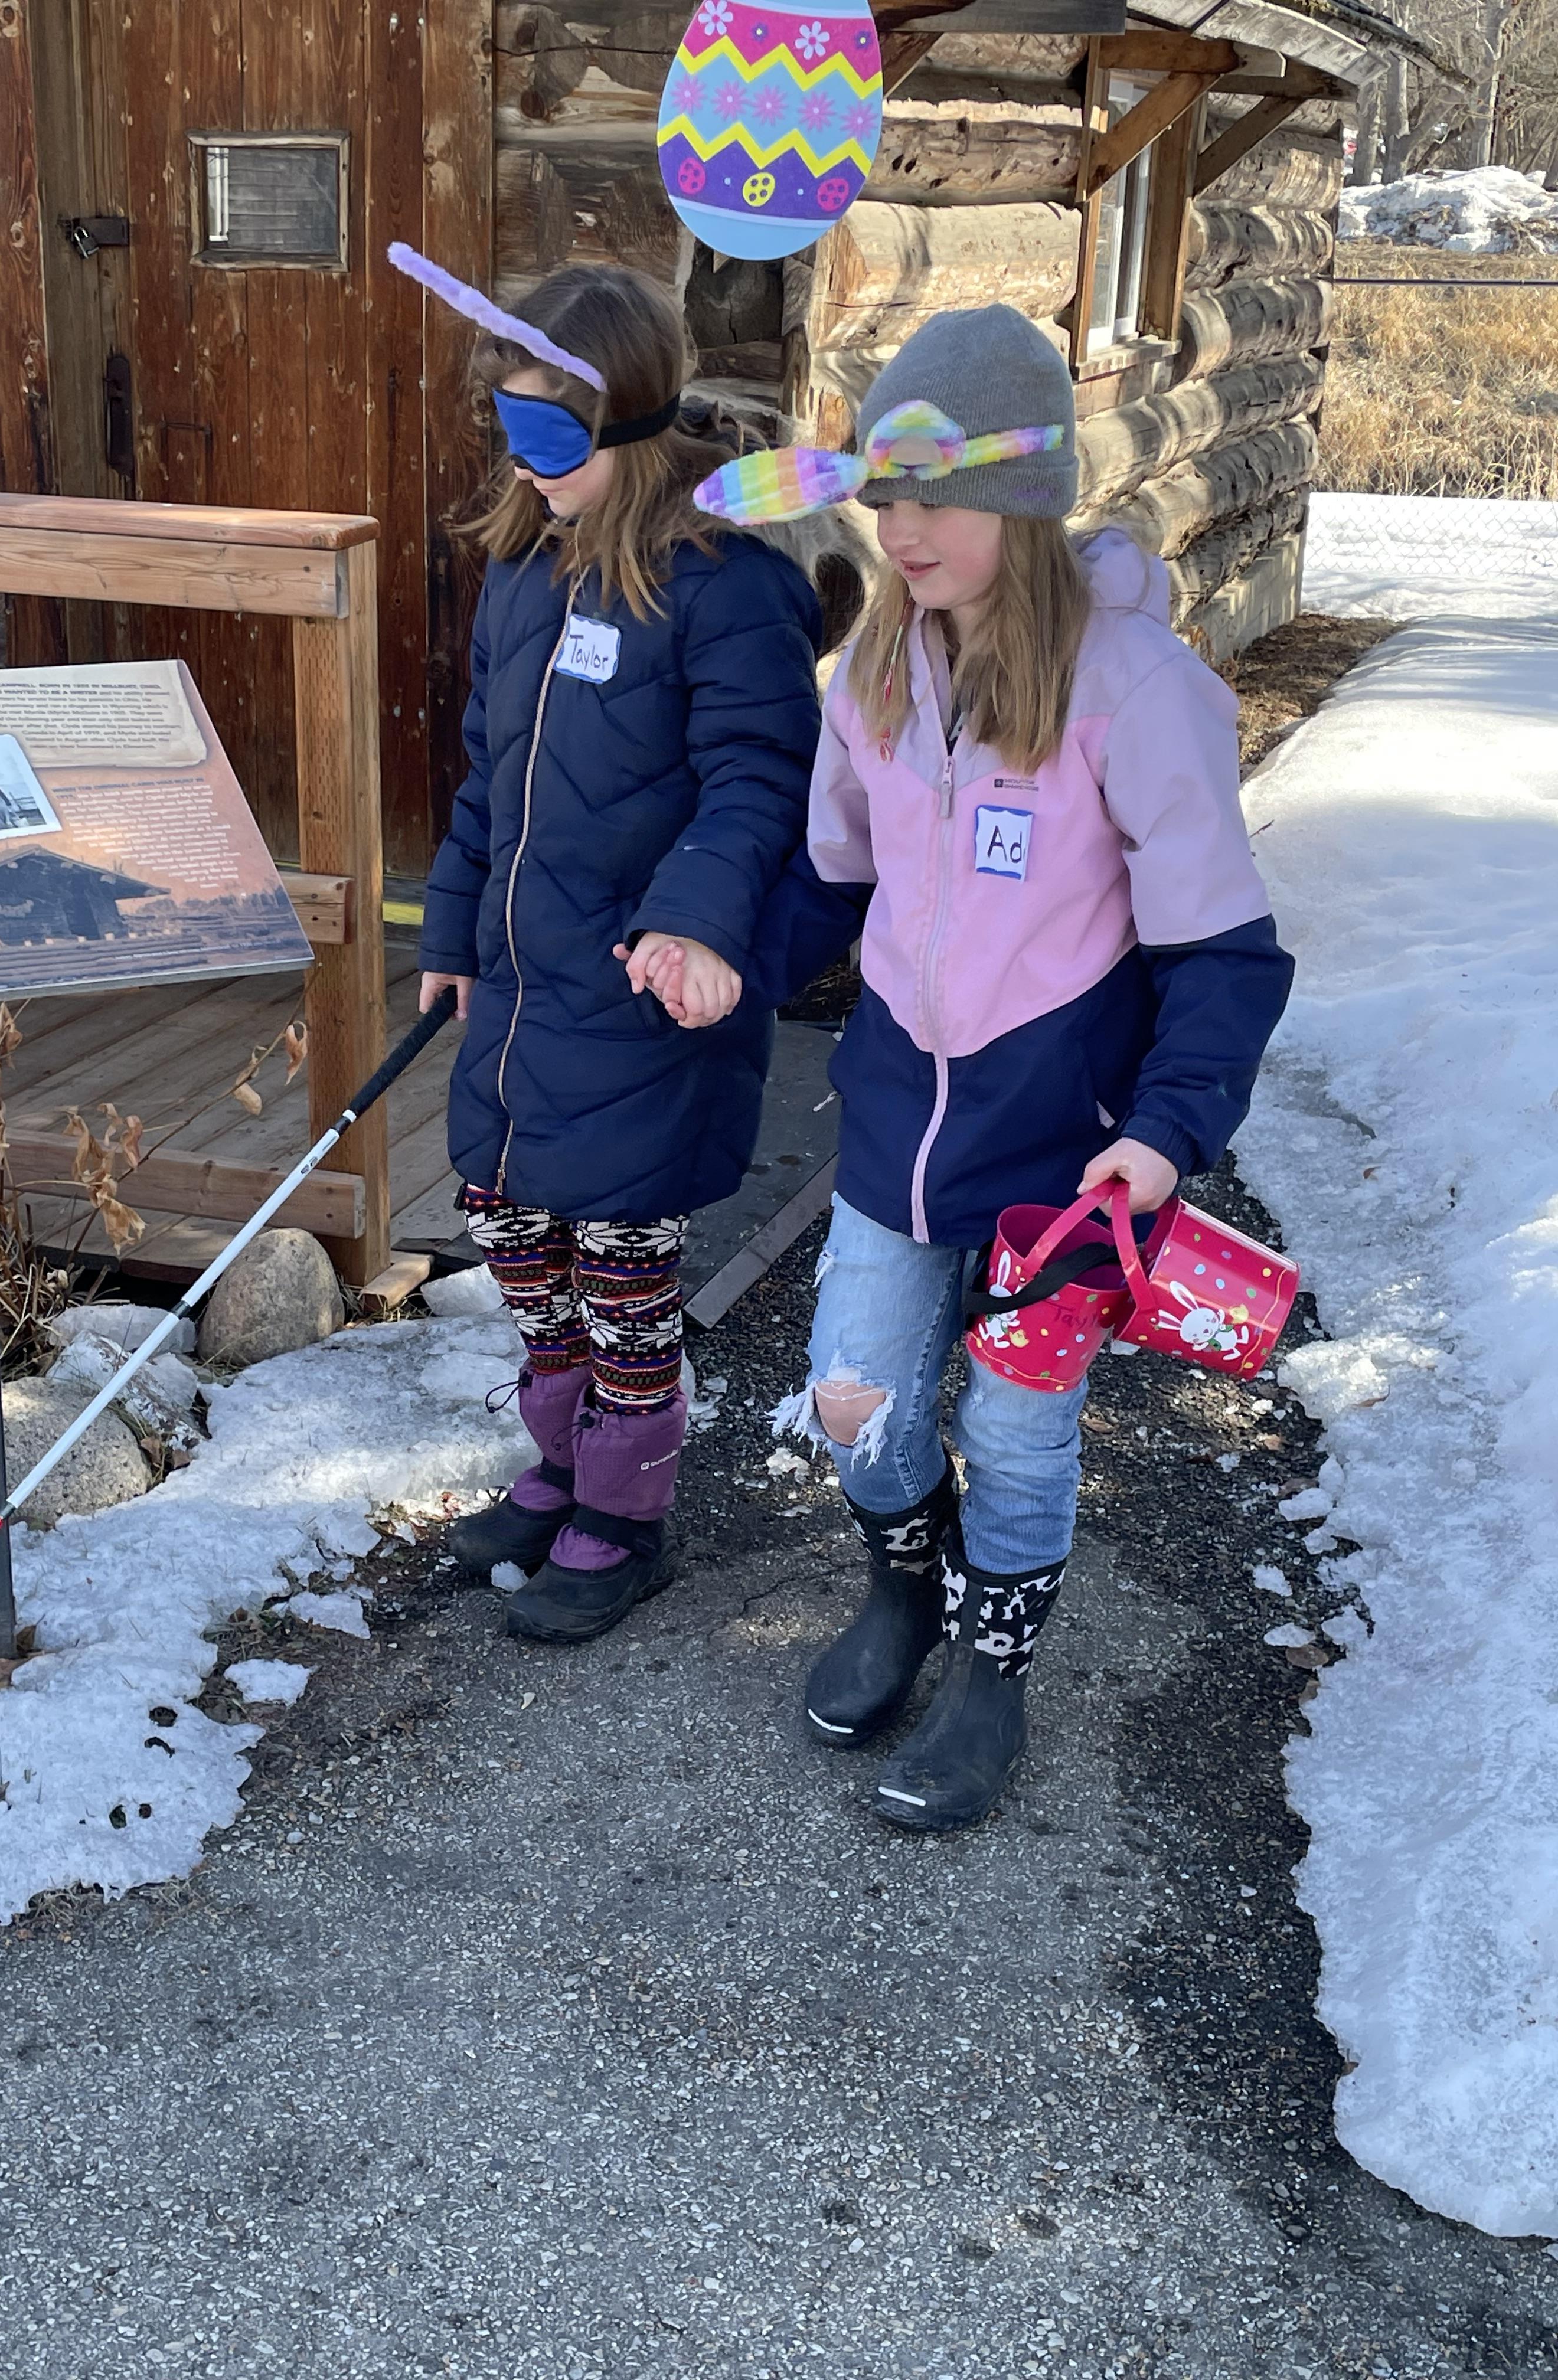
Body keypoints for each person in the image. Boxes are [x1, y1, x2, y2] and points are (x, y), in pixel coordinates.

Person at [651, 305, 1294, 1830]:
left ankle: (993, 1668)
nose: (903, 529)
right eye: (884, 495)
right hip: (896, 1122)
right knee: (858, 1401)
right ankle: (907, 1591)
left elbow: (1226, 956)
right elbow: (834, 882)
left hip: (1062, 1160)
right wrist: (721, 942)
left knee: (1014, 1426)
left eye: (936, 495)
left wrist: (1164, 1134)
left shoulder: (1130, 690)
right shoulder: (875, 674)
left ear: (1025, 493)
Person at [414, 260, 824, 1646]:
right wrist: (454, 929)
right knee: (519, 1239)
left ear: (636, 423)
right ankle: (560, 1463)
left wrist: (696, 916)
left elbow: (759, 779)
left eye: (554, 438)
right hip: (526, 998)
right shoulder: (524, 574)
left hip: (646, 994)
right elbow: (489, 779)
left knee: (622, 1269)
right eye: (511, 432)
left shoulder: (727, 589)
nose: (526, 469)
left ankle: (628, 1509)